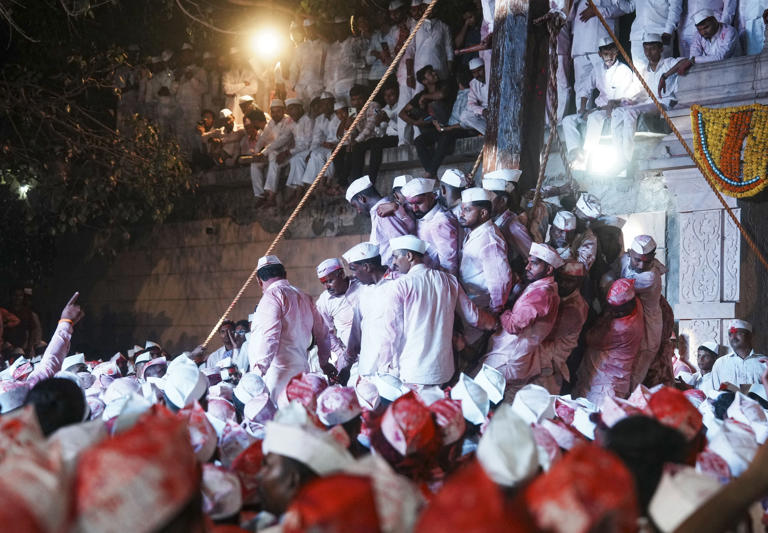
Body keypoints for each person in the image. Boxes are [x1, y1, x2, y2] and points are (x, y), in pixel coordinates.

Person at [379, 235, 496, 386]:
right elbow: (474, 317)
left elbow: (391, 332)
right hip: (444, 371)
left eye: (395, 257)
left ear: (409, 256)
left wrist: (384, 367)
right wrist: (494, 323)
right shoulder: (449, 280)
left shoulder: (401, 285)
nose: (394, 262)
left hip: (413, 371)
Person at [480, 243, 563, 401]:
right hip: (518, 357)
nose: (527, 267)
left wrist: (502, 309)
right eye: (528, 262)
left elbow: (512, 325)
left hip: (509, 358)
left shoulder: (542, 293)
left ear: (549, 269)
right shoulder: (545, 287)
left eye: (534, 264)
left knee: (480, 396)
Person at [247, 256, 334, 400]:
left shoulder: (271, 297)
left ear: (259, 281)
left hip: (277, 377)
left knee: (280, 414)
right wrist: (324, 363)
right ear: (285, 274)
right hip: (302, 373)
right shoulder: (305, 297)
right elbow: (322, 333)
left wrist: (257, 372)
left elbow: (270, 337)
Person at [561, 39, 643, 162]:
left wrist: (593, 111)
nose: (609, 57)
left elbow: (617, 102)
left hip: (615, 110)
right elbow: (585, 90)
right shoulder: (597, 69)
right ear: (600, 54)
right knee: (567, 120)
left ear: (616, 52)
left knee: (594, 118)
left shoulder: (624, 71)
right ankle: (575, 154)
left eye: (612, 53)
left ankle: (588, 154)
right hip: (598, 109)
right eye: (606, 53)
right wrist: (583, 109)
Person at [610, 33, 686, 162]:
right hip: (650, 102)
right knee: (617, 112)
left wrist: (665, 75)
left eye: (652, 49)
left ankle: (627, 158)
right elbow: (644, 93)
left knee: (630, 113)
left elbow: (685, 61)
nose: (648, 53)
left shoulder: (668, 63)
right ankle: (619, 155)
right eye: (646, 49)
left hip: (665, 103)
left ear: (661, 49)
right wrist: (628, 100)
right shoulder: (646, 70)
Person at [573, 278, 645, 403]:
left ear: (630, 302)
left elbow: (590, 339)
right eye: (612, 307)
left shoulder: (620, 328)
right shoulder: (636, 304)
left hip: (606, 383)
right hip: (615, 377)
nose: (614, 312)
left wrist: (603, 319)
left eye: (619, 309)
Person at [337, 243, 401, 383]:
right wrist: (347, 364)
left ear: (366, 267)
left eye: (354, 269)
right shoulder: (363, 292)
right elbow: (356, 333)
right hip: (367, 370)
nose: (353, 275)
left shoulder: (400, 284)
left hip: (395, 371)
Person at [612, 235, 667, 390]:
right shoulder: (623, 259)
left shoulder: (650, 277)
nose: (641, 266)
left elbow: (617, 289)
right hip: (628, 324)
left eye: (647, 262)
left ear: (653, 257)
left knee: (635, 376)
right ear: (630, 252)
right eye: (637, 260)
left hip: (647, 329)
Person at [457, 187, 514, 317]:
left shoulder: (490, 240)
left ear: (483, 213)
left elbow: (501, 281)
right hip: (471, 302)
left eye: (467, 210)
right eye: (462, 209)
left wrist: (495, 310)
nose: (461, 214)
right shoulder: (476, 231)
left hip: (482, 307)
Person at [534, 260, 589, 394]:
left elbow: (546, 333)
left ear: (579, 283)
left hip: (551, 360)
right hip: (543, 352)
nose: (563, 283)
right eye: (561, 278)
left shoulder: (576, 308)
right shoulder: (557, 292)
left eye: (569, 281)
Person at [567, 0, 627, 118]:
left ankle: (608, 119)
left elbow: (625, 7)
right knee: (581, 87)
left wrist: (599, 11)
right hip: (580, 43)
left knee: (607, 85)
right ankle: (582, 118)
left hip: (602, 42)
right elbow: (568, 15)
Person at [415, 69, 475, 178]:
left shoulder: (474, 94)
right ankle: (431, 172)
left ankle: (430, 172)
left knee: (446, 136)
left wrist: (445, 129)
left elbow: (467, 123)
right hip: (448, 127)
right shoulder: (457, 93)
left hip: (463, 129)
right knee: (419, 140)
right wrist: (438, 123)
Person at [346, 175, 415, 266]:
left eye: (355, 206)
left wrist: (393, 271)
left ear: (361, 199)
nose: (358, 211)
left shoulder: (383, 213)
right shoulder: (383, 210)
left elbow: (402, 247)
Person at [400, 177, 460, 275]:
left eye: (419, 203)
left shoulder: (440, 222)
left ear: (432, 197)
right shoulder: (423, 215)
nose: (414, 209)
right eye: (411, 204)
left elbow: (449, 263)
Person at [482, 170, 532, 271]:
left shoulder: (514, 228)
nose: (484, 204)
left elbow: (531, 258)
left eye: (489, 199)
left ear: (502, 201)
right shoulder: (494, 221)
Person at [314, 258, 361, 366]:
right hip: (353, 360)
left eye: (330, 281)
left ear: (342, 274)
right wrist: (341, 354)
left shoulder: (361, 285)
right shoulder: (324, 301)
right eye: (323, 283)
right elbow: (325, 333)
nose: (327, 287)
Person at [247, 99, 295, 205]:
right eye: (273, 112)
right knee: (255, 164)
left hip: (287, 153)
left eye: (278, 111)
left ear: (283, 111)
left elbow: (280, 141)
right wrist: (256, 152)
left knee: (273, 157)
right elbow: (262, 139)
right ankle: (259, 194)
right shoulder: (271, 122)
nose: (275, 114)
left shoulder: (289, 121)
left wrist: (263, 153)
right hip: (271, 152)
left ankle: (271, 195)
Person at [383, 0, 417, 145]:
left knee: (417, 106)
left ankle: (418, 138)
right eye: (391, 14)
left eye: (396, 12)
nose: (394, 16)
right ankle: (403, 141)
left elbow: (411, 50)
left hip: (418, 71)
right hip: (402, 74)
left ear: (404, 10)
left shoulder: (415, 24)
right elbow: (390, 57)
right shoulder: (392, 32)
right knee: (403, 107)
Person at [347, 85, 396, 181]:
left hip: (376, 137)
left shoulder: (373, 105)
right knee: (350, 150)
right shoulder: (352, 110)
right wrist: (351, 140)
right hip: (363, 140)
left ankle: (371, 180)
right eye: (353, 100)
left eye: (359, 99)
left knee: (372, 145)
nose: (356, 102)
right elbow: (352, 130)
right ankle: (353, 181)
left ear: (366, 97)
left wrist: (356, 141)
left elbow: (370, 127)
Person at [621, 0, 682, 70]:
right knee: (639, 72)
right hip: (638, 36)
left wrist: (668, 31)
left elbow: (675, 8)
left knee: (662, 70)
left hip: (660, 36)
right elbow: (629, 7)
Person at [710, 319, 766, 389]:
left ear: (750, 336)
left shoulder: (764, 362)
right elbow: (716, 393)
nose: (733, 337)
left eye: (738, 333)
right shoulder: (720, 363)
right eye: (730, 334)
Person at [411, 0, 454, 86]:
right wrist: (409, 74)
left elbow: (449, 51)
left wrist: (449, 71)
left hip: (440, 70)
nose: (429, 10)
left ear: (436, 9)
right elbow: (410, 50)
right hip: (420, 73)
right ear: (422, 8)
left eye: (431, 7)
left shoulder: (444, 27)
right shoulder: (415, 26)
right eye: (425, 7)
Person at [283, 97, 316, 201]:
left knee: (296, 159)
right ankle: (296, 190)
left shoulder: (308, 120)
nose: (290, 113)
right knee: (292, 159)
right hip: (299, 151)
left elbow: (306, 144)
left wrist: (289, 152)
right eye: (288, 110)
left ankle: (298, 192)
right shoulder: (292, 123)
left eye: (292, 109)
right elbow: (284, 138)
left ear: (300, 108)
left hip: (311, 149)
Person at [290, 19, 327, 104]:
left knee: (317, 109)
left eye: (311, 28)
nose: (309, 31)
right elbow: (294, 67)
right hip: (302, 87)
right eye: (307, 29)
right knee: (304, 109)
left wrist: (325, 84)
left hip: (319, 86)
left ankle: (354, 113)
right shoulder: (300, 47)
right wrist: (294, 85)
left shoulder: (324, 46)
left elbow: (328, 67)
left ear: (315, 28)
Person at [222, 48, 259, 126]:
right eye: (234, 57)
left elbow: (254, 89)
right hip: (232, 105)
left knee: (248, 126)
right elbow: (227, 89)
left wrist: (234, 90)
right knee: (232, 126)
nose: (236, 59)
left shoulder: (250, 73)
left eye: (238, 56)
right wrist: (244, 84)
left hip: (246, 106)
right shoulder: (227, 74)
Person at [460, 57, 488, 135]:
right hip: (485, 112)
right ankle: (489, 133)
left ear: (485, 68)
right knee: (464, 116)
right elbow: (470, 104)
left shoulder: (493, 78)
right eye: (474, 72)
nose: (477, 75)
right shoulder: (473, 83)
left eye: (479, 70)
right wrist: (482, 111)